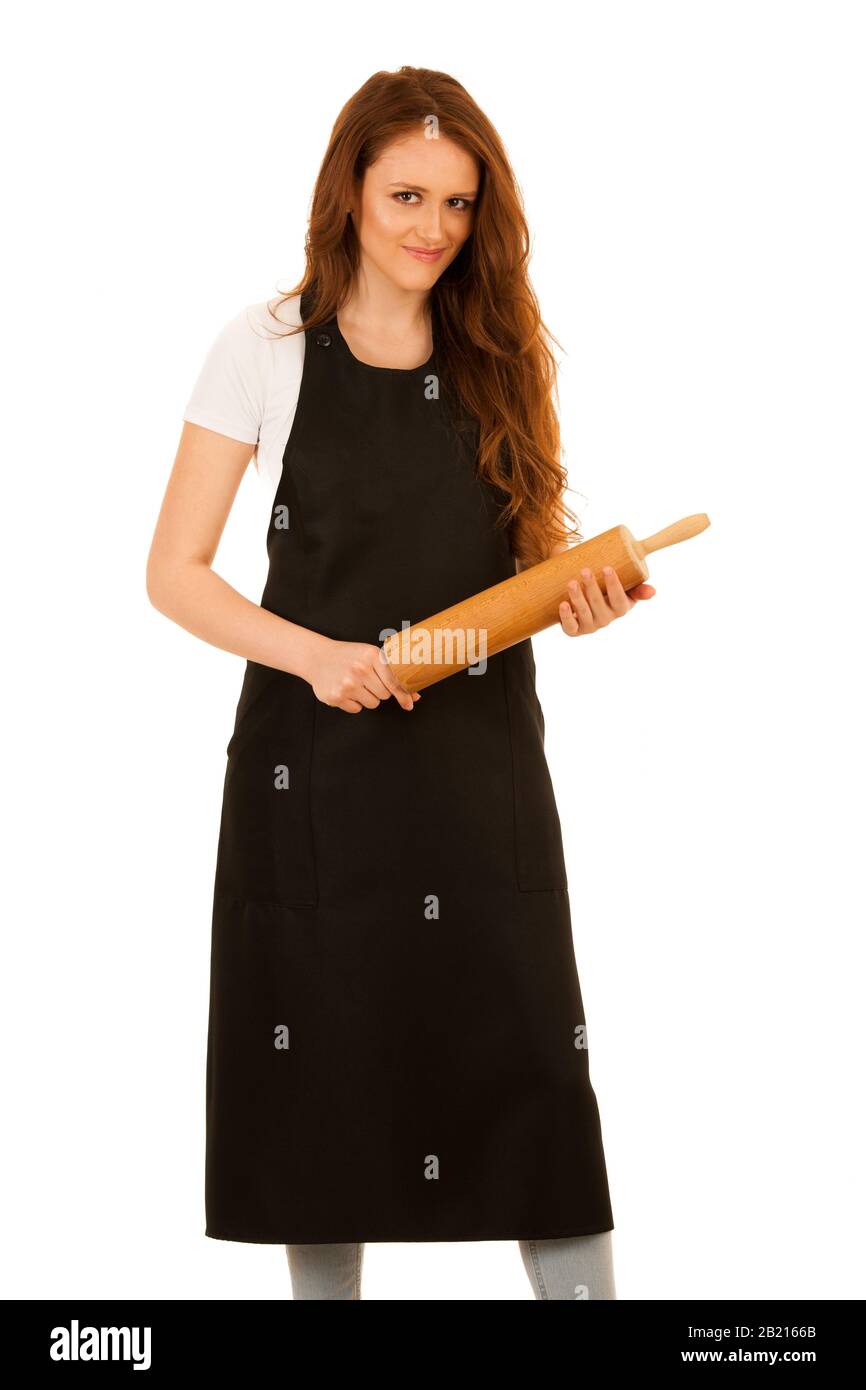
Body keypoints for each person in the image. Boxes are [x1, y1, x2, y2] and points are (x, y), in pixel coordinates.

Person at [147, 65, 654, 1301]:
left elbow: (522, 565)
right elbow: (174, 571)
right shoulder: (263, 345)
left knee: (534, 1078)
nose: (432, 229)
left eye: (458, 204)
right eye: (406, 196)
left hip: (479, 781)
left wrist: (577, 597)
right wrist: (316, 656)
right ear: (350, 194)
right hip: (314, 776)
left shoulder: (495, 352)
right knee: (323, 1096)